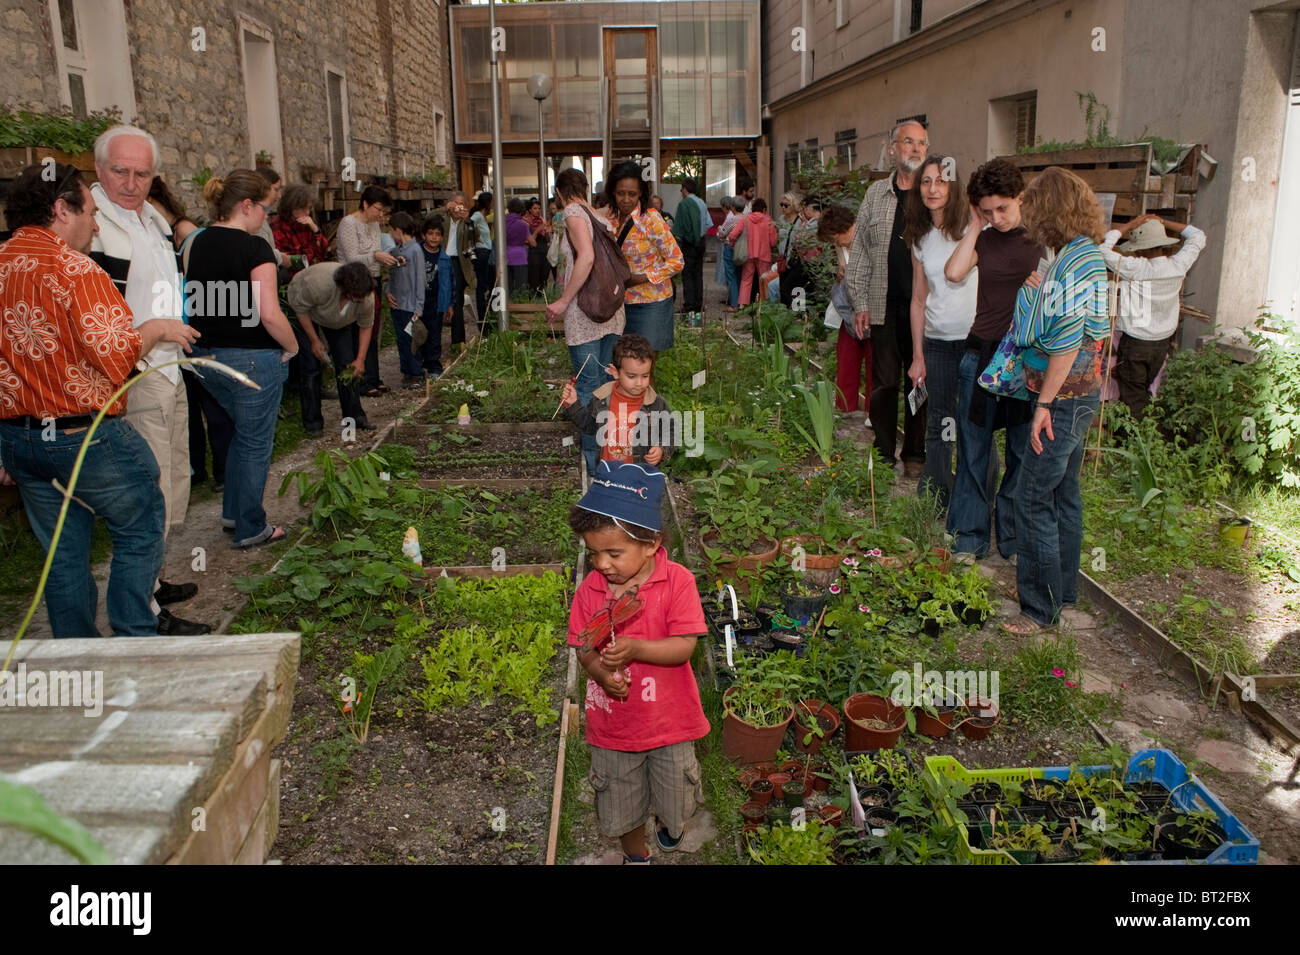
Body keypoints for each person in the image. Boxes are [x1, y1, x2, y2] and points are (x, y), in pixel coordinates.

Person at [0, 163, 199, 637]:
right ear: (60, 210)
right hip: (82, 435)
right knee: (140, 525)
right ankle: (135, 634)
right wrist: (157, 328)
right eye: (90, 213)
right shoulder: (76, 269)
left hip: (19, 439)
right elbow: (117, 354)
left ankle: (79, 655)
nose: (94, 224)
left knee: (62, 553)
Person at [89, 125, 208, 634]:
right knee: (147, 490)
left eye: (141, 173)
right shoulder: (94, 224)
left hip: (170, 364)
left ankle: (153, 581)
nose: (130, 182)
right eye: (120, 170)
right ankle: (144, 612)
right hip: (133, 370)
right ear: (99, 169)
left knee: (174, 475)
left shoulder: (151, 218)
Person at [566, 460, 710, 864]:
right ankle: (636, 854)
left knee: (676, 794)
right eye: (593, 553)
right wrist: (600, 672)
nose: (601, 564)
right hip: (616, 727)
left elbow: (685, 646)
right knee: (621, 801)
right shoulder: (591, 591)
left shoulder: (677, 581)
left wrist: (635, 649)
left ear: (651, 543)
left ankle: (669, 824)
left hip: (671, 722)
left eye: (613, 553)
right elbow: (584, 648)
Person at [1004, 167, 1110, 635]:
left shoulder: (1075, 262)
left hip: (1064, 398)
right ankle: (1061, 590)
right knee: (1064, 493)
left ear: (1050, 209)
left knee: (1032, 498)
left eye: (1032, 205)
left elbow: (1067, 340)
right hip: (1081, 395)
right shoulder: (1078, 255)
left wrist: (1043, 405)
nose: (1026, 214)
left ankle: (1037, 609)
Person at [186, 170, 299, 549]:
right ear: (246, 206)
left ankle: (233, 512)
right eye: (265, 208)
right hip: (251, 358)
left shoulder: (197, 243)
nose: (267, 217)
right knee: (255, 443)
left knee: (240, 434)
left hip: (205, 357)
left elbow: (198, 300)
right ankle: (252, 526)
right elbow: (268, 312)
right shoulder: (254, 248)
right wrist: (293, 346)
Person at [944, 159, 1042, 560]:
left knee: (1022, 452)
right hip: (981, 355)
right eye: (988, 211)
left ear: (1021, 198)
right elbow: (953, 272)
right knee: (973, 450)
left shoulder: (1042, 239)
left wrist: (1044, 285)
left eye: (1003, 208)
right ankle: (969, 536)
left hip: (1026, 358)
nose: (996, 217)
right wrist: (973, 225)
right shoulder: (983, 238)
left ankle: (1014, 538)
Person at [846, 120, 930, 477]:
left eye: (922, 144)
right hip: (882, 305)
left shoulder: (935, 195)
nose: (915, 149)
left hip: (925, 309)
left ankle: (915, 454)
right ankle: (883, 453)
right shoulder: (875, 195)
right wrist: (860, 302)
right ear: (893, 148)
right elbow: (860, 252)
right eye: (908, 142)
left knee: (920, 382)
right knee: (884, 383)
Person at [147, 177, 235, 496]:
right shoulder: (153, 233)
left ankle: (223, 471)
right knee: (192, 407)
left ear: (159, 200)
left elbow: (194, 286)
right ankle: (197, 469)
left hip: (191, 327)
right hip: (175, 328)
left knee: (212, 405)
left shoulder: (185, 232)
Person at [902, 156, 976, 509]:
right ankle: (937, 499)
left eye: (941, 181)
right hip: (938, 345)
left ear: (954, 186)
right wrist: (918, 355)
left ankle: (973, 502)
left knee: (975, 428)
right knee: (941, 424)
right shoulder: (919, 237)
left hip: (977, 344)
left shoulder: (975, 231)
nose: (933, 189)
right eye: (926, 181)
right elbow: (918, 300)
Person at [545, 167, 626, 476]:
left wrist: (564, 300)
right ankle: (611, 454)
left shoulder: (573, 211)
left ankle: (594, 462)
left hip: (586, 311)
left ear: (561, 192)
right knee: (606, 382)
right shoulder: (600, 215)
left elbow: (587, 257)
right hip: (610, 310)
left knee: (589, 385)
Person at [1099, 213, 1206, 419]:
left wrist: (1130, 224)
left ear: (1142, 248)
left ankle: (1136, 442)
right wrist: (1162, 223)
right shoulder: (1178, 265)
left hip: (1136, 344)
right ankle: (1145, 436)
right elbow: (1198, 236)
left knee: (1132, 399)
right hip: (1162, 343)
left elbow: (1102, 249)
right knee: (1144, 392)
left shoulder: (1136, 268)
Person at [560, 333, 678, 465]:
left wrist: (661, 449)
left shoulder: (656, 404)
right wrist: (573, 405)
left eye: (645, 376)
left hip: (640, 474)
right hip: (608, 473)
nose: (639, 383)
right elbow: (589, 425)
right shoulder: (602, 399)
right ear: (615, 372)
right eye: (632, 376)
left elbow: (671, 431)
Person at [287, 261, 376, 433]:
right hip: (306, 313)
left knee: (348, 366)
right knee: (311, 367)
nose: (360, 299)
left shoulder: (367, 297)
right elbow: (301, 311)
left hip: (337, 321)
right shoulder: (318, 284)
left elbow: (366, 327)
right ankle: (313, 423)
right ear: (344, 288)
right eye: (355, 296)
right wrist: (314, 340)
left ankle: (354, 418)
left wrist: (360, 360)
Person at [604, 161, 683, 352]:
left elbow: (677, 261)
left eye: (632, 194)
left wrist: (642, 278)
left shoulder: (651, 219)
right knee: (623, 365)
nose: (625, 199)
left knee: (645, 364)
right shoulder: (608, 219)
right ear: (612, 192)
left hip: (651, 303)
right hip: (618, 304)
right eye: (620, 193)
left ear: (641, 193)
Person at [336, 185, 395, 396]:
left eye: (383, 211)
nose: (380, 215)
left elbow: (376, 251)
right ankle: (359, 380)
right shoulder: (348, 223)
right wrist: (375, 256)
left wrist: (385, 258)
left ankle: (372, 376)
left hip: (373, 280)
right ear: (365, 204)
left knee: (372, 327)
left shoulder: (374, 225)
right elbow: (351, 258)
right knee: (357, 330)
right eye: (378, 209)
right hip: (353, 283)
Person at [818, 205, 872, 416]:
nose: (834, 243)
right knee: (846, 360)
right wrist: (840, 276)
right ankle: (844, 409)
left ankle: (872, 412)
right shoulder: (841, 247)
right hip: (848, 314)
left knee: (873, 363)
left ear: (843, 229)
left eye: (833, 238)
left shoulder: (867, 239)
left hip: (870, 311)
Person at [384, 212, 427, 390]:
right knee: (402, 340)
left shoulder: (415, 250)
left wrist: (419, 306)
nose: (390, 235)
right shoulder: (396, 251)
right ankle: (407, 372)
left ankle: (416, 373)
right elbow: (391, 276)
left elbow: (420, 280)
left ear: (399, 230)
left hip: (410, 305)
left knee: (412, 341)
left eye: (391, 231)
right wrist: (388, 292)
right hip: (397, 304)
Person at [441, 190, 480, 340]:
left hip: (458, 262)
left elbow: (475, 236)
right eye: (456, 204)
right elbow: (427, 220)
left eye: (462, 204)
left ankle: (458, 340)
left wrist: (468, 220)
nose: (458, 207)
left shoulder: (467, 223)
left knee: (457, 300)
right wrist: (445, 208)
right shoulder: (442, 218)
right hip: (442, 259)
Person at [728, 198, 778, 307]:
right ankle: (764, 304)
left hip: (748, 254)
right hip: (764, 255)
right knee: (764, 280)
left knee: (746, 280)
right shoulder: (768, 221)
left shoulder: (745, 219)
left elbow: (732, 235)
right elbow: (773, 241)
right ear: (764, 209)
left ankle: (742, 303)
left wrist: (733, 245)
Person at [272, 183, 330, 276]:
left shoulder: (306, 224)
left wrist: (315, 229)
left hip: (312, 272)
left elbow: (323, 251)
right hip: (292, 277)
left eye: (309, 208)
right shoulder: (278, 228)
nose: (307, 212)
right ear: (291, 207)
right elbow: (287, 260)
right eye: (303, 208)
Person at [418, 216, 450, 379]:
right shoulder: (416, 253)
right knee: (417, 334)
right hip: (418, 301)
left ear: (442, 237)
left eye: (437, 234)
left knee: (434, 334)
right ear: (424, 235)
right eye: (430, 234)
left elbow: (450, 282)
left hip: (435, 302)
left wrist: (449, 304)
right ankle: (418, 365)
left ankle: (433, 365)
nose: (434, 237)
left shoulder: (444, 258)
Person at [671, 178, 707, 322]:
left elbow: (681, 228)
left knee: (688, 274)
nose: (681, 192)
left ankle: (690, 304)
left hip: (690, 242)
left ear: (685, 189)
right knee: (698, 274)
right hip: (702, 241)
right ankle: (698, 303)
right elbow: (708, 222)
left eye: (681, 190)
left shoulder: (684, 204)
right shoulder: (702, 202)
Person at [470, 192, 494, 325]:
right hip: (481, 251)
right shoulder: (478, 215)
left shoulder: (484, 217)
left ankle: (485, 309)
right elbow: (469, 224)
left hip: (486, 250)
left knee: (486, 282)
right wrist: (474, 236)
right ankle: (481, 312)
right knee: (482, 283)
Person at [716, 197, 741, 311]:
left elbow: (723, 234)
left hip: (730, 247)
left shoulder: (733, 219)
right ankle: (741, 301)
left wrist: (720, 230)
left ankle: (734, 302)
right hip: (742, 249)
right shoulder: (746, 218)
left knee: (731, 275)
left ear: (732, 207)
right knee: (740, 274)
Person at [504, 197, 531, 293]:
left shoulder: (502, 222)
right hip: (520, 257)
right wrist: (538, 230)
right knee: (521, 287)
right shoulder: (523, 224)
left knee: (507, 288)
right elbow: (532, 242)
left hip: (505, 256)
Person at [524, 197, 551, 293]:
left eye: (539, 208)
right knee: (534, 273)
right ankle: (534, 294)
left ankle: (543, 294)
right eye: (535, 208)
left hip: (544, 248)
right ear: (530, 210)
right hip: (534, 250)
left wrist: (547, 231)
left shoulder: (541, 220)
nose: (537, 210)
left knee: (545, 272)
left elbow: (547, 239)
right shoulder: (526, 221)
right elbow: (529, 240)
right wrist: (538, 230)